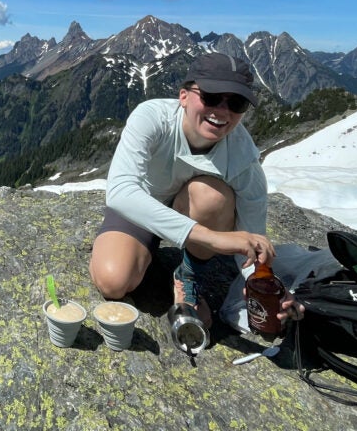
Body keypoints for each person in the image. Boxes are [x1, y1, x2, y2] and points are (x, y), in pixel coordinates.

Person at [88, 52, 303, 331]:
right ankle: (143, 253)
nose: (223, 111)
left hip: (192, 210)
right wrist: (211, 238)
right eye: (211, 97)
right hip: (140, 208)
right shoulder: (152, 118)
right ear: (184, 96)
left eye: (236, 103)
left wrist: (262, 283)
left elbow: (253, 242)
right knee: (113, 282)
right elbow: (119, 191)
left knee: (210, 195)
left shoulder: (244, 158)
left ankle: (188, 277)